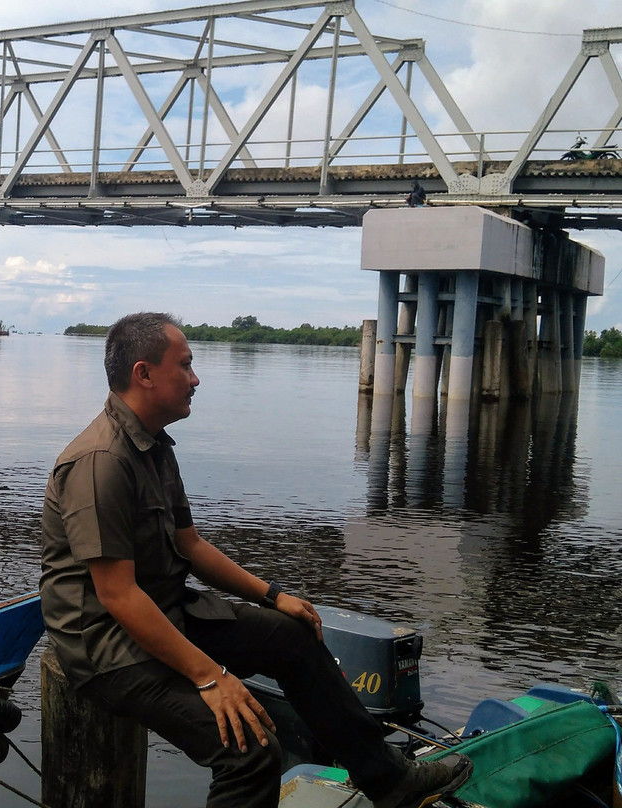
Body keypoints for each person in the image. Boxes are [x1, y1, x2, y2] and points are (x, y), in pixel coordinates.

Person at [39, 312, 472, 808]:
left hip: (164, 612)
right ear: (144, 374)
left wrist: (275, 596)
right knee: (251, 749)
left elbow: (190, 545)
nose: (196, 379)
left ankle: (389, 781)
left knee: (292, 637)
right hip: (107, 648)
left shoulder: (153, 445)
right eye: (185, 365)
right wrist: (212, 677)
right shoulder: (101, 462)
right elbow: (118, 596)